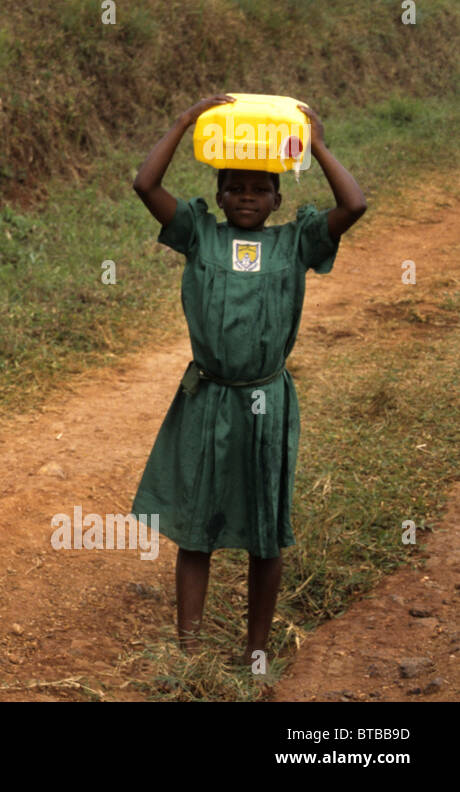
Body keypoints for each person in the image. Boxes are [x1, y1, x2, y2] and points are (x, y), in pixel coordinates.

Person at [130, 94, 366, 661]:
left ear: (278, 198)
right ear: (219, 194)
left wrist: (316, 144)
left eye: (259, 190)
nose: (246, 198)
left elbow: (354, 205)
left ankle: (255, 650)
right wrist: (184, 121)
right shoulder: (199, 235)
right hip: (208, 396)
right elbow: (145, 186)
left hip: (266, 401)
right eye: (235, 188)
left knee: (266, 529)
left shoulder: (297, 241)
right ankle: (189, 653)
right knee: (195, 527)